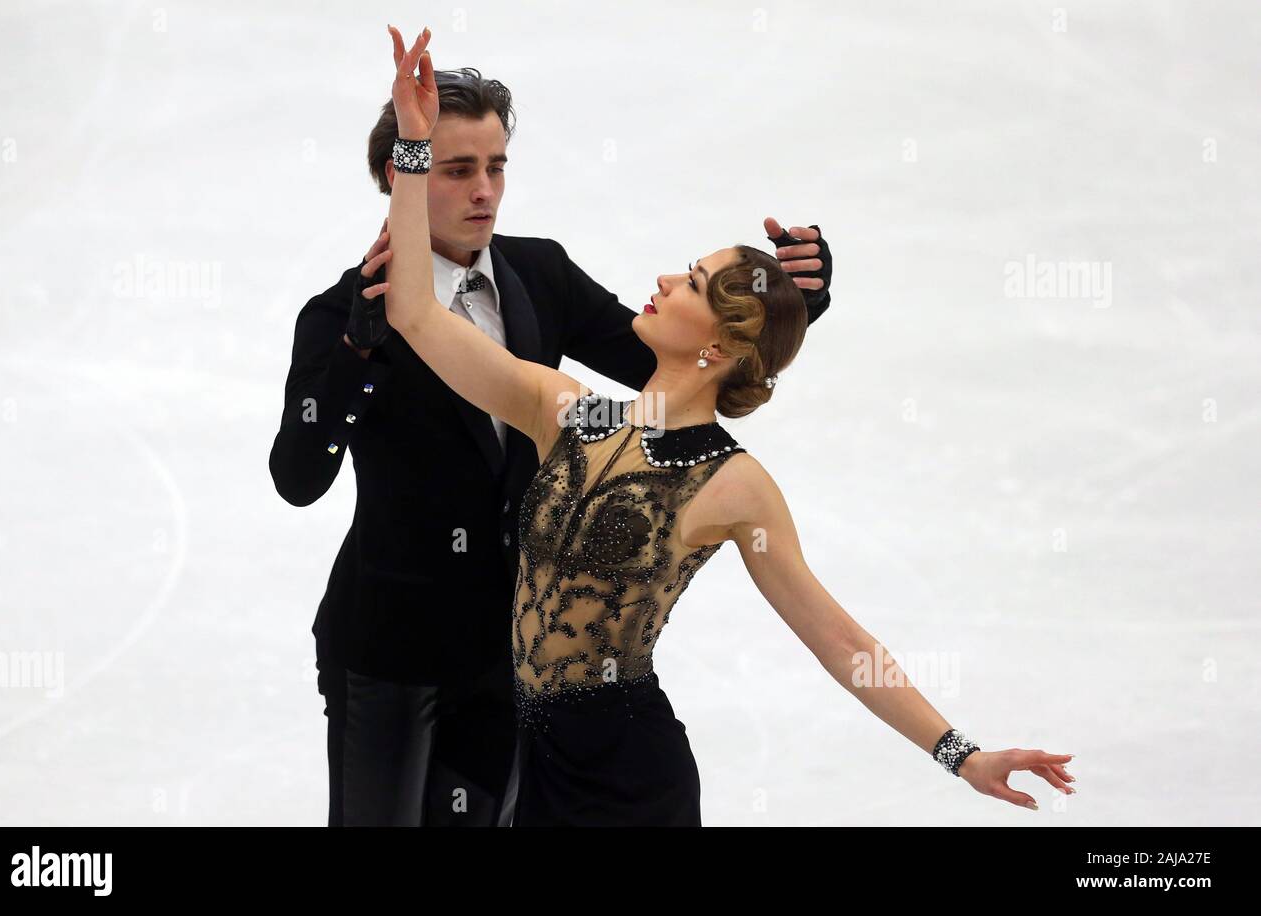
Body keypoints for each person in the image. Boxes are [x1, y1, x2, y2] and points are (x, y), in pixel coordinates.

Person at [376, 24, 1075, 826]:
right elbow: (414, 310)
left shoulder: (734, 484)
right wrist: (414, 147)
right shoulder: (563, 410)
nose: (667, 278)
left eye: (694, 282)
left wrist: (964, 755)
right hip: (536, 762)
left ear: (715, 343)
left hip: (631, 775)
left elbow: (835, 636)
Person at [269, 62, 833, 822]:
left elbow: (677, 374)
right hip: (390, 649)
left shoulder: (541, 273)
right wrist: (355, 357)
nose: (484, 192)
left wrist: (788, 304)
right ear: (397, 173)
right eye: (458, 169)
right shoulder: (339, 311)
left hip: (512, 653)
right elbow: (299, 476)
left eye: (496, 167)